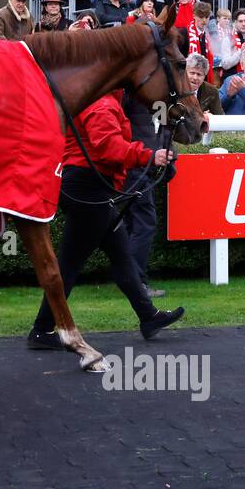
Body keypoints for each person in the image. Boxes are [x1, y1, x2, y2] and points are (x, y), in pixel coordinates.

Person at [25, 90, 184, 351]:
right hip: (87, 186)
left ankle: (148, 317)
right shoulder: (102, 104)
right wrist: (149, 156)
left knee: (120, 253)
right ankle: (41, 330)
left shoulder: (99, 99)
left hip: (87, 185)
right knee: (69, 264)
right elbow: (109, 148)